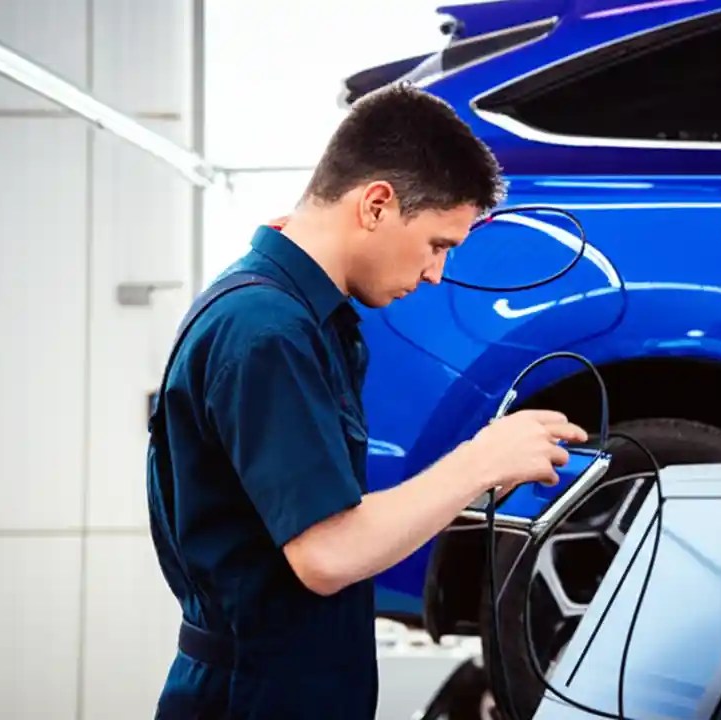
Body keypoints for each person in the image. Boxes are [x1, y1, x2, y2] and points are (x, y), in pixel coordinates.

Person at [146, 82, 587, 719]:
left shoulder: (298, 316)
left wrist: (471, 491)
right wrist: (479, 461)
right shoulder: (266, 330)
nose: (436, 273)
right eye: (438, 244)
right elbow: (327, 554)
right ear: (377, 204)